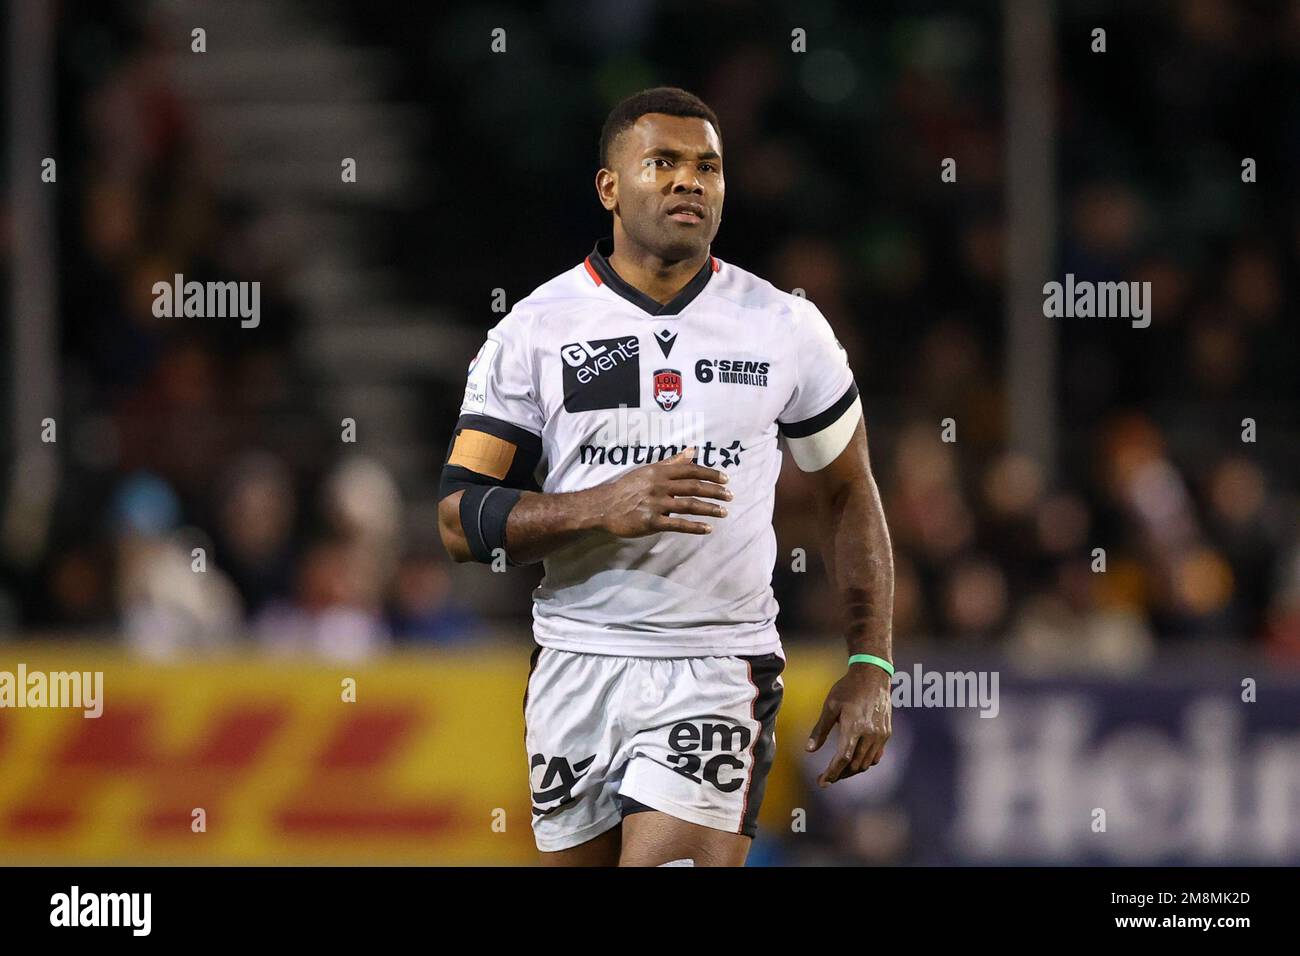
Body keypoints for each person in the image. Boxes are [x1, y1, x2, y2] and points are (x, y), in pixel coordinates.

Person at [438, 87, 895, 867]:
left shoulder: (785, 327)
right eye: (664, 163)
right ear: (609, 187)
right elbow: (459, 521)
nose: (691, 181)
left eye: (708, 167)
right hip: (576, 661)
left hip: (717, 664)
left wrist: (872, 661)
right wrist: (598, 506)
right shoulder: (536, 330)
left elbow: (849, 490)